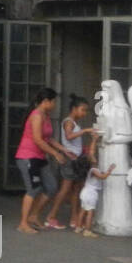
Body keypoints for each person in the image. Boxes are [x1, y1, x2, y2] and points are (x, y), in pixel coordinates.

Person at [14, 87, 72, 234]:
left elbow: (48, 138)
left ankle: (33, 216)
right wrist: (55, 154)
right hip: (27, 157)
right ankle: (23, 223)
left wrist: (63, 150)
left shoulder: (45, 115)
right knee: (33, 189)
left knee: (51, 187)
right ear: (46, 101)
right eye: (54, 102)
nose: (55, 105)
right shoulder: (37, 115)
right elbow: (38, 140)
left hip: (39, 157)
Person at [43, 95, 96, 230]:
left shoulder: (74, 122)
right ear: (74, 109)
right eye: (83, 110)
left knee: (75, 189)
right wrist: (85, 130)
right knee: (65, 189)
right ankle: (51, 217)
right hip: (69, 160)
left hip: (75, 159)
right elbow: (68, 136)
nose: (84, 113)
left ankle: (74, 218)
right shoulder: (69, 122)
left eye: (86, 111)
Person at [75, 133, 115, 239]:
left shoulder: (89, 169)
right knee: (90, 212)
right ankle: (87, 230)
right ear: (91, 162)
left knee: (83, 210)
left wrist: (94, 140)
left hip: (85, 192)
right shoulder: (94, 170)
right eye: (92, 158)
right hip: (91, 193)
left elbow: (91, 152)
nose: (94, 157)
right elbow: (103, 177)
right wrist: (109, 170)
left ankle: (78, 227)